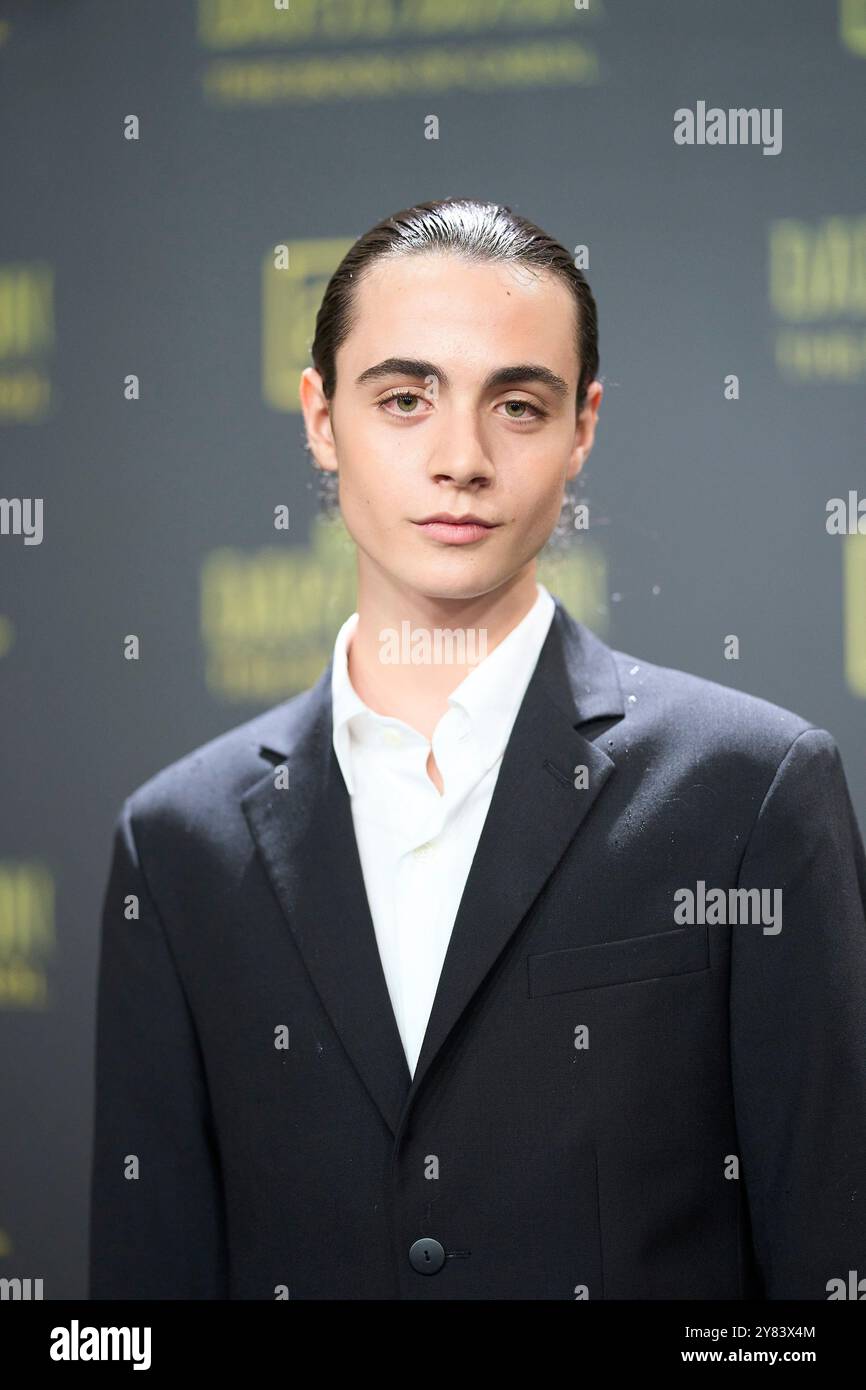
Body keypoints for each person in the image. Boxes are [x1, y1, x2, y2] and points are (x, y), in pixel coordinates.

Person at [89, 197, 866, 1300]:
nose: (460, 458)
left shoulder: (748, 792)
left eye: (516, 403)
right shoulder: (176, 844)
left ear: (582, 427)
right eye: (404, 398)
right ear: (318, 417)